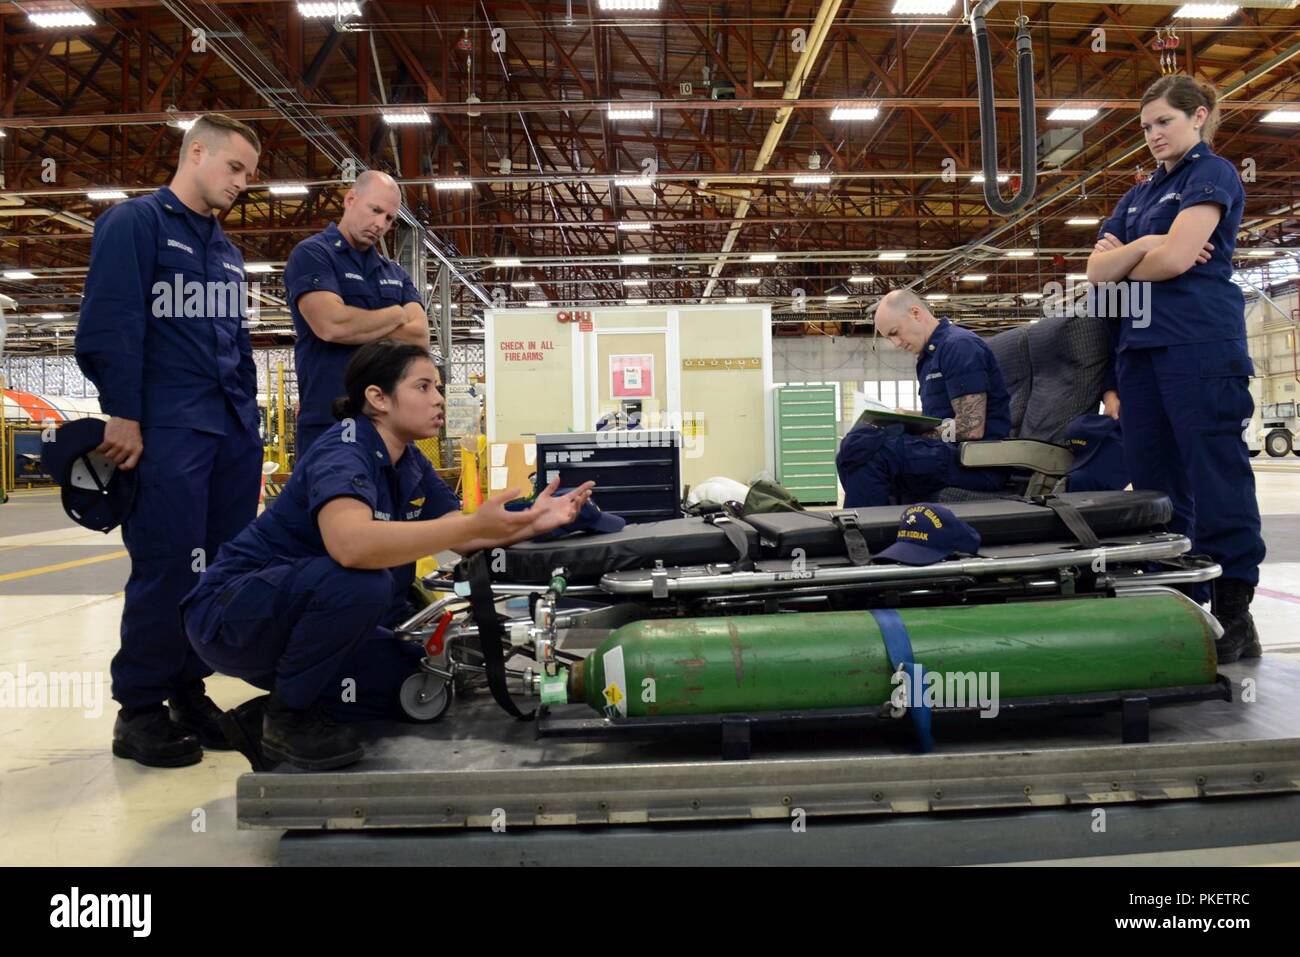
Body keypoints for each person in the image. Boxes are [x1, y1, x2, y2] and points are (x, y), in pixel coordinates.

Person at [180, 340, 594, 770]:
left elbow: (466, 536)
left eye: (437, 387)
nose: (438, 399)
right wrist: (469, 526)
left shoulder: (408, 462)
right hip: (231, 616)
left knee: (416, 678)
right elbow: (352, 546)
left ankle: (259, 718)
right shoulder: (343, 449)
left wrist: (533, 520)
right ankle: (290, 719)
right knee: (361, 581)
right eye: (423, 387)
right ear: (377, 398)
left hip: (296, 615)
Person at [75, 113, 264, 768]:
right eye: (235, 167)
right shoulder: (136, 224)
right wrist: (122, 413)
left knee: (215, 569)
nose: (242, 183)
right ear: (196, 152)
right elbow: (111, 321)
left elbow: (235, 344)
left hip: (229, 433)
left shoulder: (226, 250)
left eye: (250, 175)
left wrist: (251, 421)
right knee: (167, 564)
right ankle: (140, 707)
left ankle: (188, 687)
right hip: (168, 429)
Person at [1086, 74, 1266, 663]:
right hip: (1138, 352)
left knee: (1214, 474)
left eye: (1164, 121)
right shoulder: (1136, 196)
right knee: (1158, 483)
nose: (1153, 135)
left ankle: (1234, 612)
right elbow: (1097, 275)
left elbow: (1179, 260)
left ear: (1199, 116)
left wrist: (1135, 254)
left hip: (1198, 347)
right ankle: (1180, 599)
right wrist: (1147, 248)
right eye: (1145, 126)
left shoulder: (1212, 174)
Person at [284, 170, 429, 455]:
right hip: (330, 422)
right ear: (350, 199)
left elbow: (420, 337)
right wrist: (396, 314)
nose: (380, 224)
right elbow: (332, 325)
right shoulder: (313, 255)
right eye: (374, 210)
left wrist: (358, 322)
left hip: (387, 426)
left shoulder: (393, 272)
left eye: (389, 218)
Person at [837, 290, 1012, 507]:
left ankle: (866, 534)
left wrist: (908, 431)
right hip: (947, 454)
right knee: (852, 446)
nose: (896, 343)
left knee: (870, 450)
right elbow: (945, 417)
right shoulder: (929, 357)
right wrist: (908, 418)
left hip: (974, 463)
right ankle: (870, 525)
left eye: (895, 332)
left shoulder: (959, 346)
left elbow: (972, 427)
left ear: (916, 313)